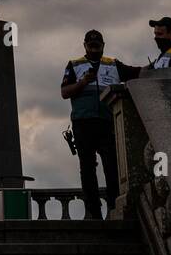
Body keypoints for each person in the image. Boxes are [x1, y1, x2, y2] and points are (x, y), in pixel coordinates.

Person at [60, 29, 140, 220]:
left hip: (108, 122)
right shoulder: (74, 65)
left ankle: (114, 207)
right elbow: (64, 92)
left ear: (103, 45)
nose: (94, 49)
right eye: (91, 46)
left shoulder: (112, 64)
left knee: (112, 167)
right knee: (87, 169)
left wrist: (156, 66)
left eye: (98, 46)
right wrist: (82, 82)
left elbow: (135, 73)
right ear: (85, 46)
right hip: (83, 122)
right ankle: (93, 212)